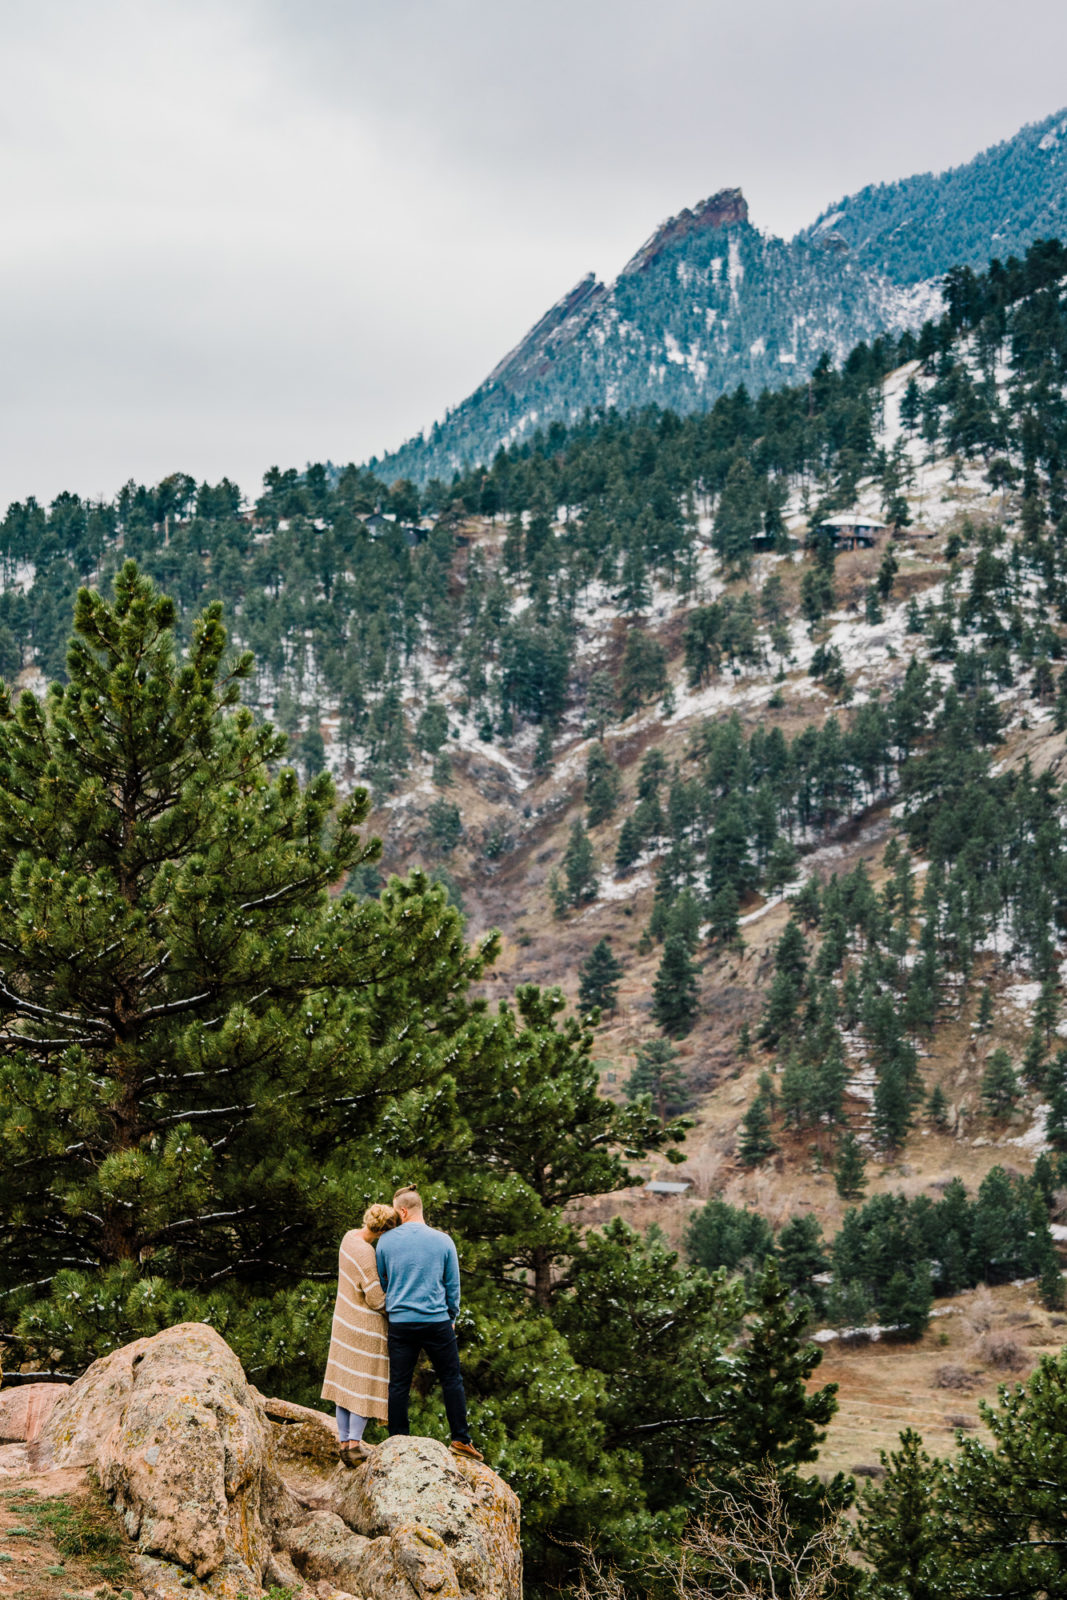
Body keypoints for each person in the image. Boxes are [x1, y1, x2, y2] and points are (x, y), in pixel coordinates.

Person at [375, 1185, 483, 1461]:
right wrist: (452, 1316)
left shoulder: (385, 1242)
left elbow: (384, 1281)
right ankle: (460, 1438)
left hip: (400, 1322)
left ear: (402, 1210)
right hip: (436, 1321)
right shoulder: (444, 1241)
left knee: (398, 1382)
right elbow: (452, 1285)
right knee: (451, 1379)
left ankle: (398, 1441)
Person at [321, 1202, 399, 1465]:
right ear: (384, 1233)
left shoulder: (348, 1237)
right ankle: (355, 1445)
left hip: (344, 1322)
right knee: (363, 1386)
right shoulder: (366, 1252)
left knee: (345, 1385)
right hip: (365, 1328)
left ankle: (344, 1444)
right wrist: (398, 1307)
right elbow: (376, 1298)